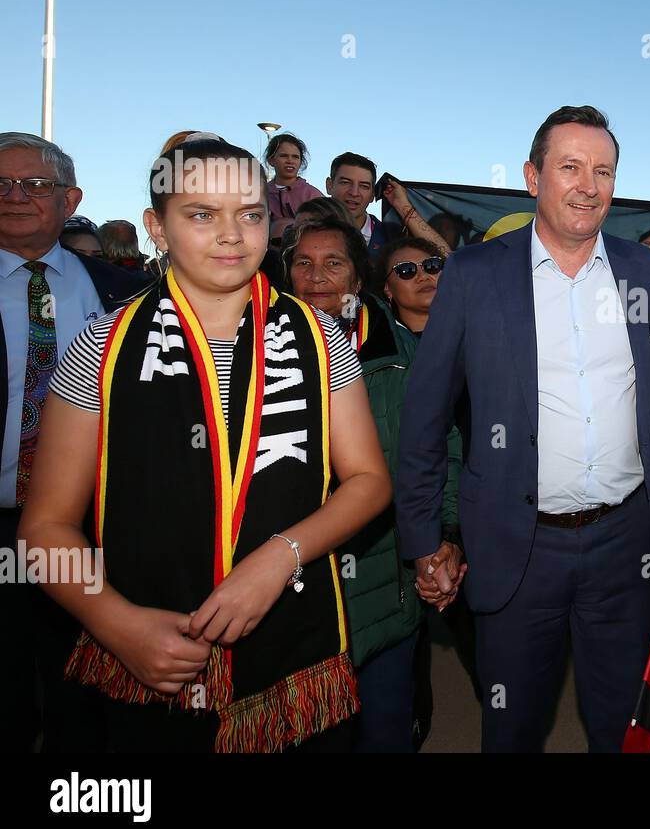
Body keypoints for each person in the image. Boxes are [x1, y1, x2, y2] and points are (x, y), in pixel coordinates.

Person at [18, 138, 390, 752]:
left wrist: (282, 555)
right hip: (148, 651)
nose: (230, 234)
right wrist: (117, 624)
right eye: (200, 214)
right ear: (156, 227)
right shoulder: (100, 347)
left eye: (248, 214)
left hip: (294, 650)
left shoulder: (319, 334)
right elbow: (45, 528)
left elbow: (369, 482)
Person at [396, 105, 650, 752]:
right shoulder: (475, 276)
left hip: (627, 540)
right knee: (513, 723)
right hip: (516, 544)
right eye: (570, 167)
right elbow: (424, 416)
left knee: (630, 724)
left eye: (603, 170)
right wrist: (424, 539)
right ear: (534, 177)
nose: (588, 185)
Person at [283, 214, 462, 752]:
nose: (317, 278)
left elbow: (442, 454)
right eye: (303, 264)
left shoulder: (402, 354)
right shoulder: (254, 351)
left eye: (333, 263)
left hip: (386, 586)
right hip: (296, 588)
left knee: (386, 732)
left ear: (357, 280)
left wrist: (443, 537)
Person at [1, 132, 146, 752]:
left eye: (34, 184)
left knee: (86, 696)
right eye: (2, 185)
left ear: (70, 199)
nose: (15, 197)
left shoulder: (125, 290)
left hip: (99, 527)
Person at [378, 236, 445, 335]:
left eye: (431, 265)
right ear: (387, 288)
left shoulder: (472, 329)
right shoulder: (383, 346)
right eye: (407, 270)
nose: (423, 276)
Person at [264, 133, 322, 243]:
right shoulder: (261, 193)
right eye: (284, 156)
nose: (290, 161)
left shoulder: (312, 195)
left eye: (295, 157)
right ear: (271, 160)